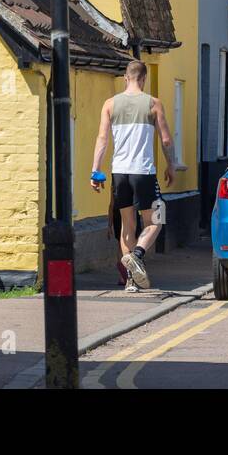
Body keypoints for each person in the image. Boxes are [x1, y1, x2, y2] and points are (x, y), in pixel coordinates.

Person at [91, 60, 177, 292]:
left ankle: (131, 281)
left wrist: (95, 171)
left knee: (127, 226)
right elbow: (166, 139)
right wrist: (172, 165)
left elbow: (102, 139)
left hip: (119, 173)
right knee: (156, 220)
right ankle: (138, 255)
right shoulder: (154, 103)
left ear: (125, 78)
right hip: (144, 172)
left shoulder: (109, 104)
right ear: (144, 78)